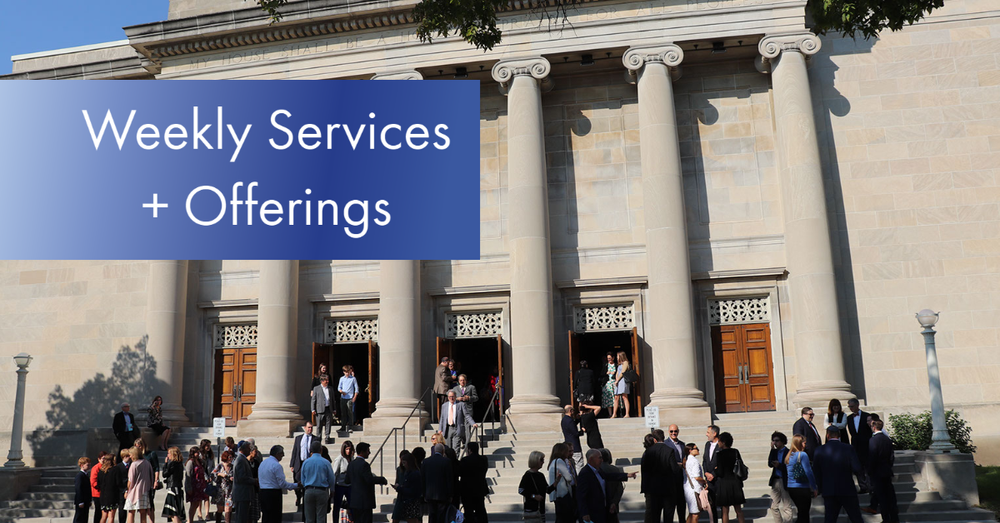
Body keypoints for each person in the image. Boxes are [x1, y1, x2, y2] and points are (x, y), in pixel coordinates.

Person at [812, 427, 863, 523]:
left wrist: (818, 487)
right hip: (847, 488)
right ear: (839, 435)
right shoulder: (848, 448)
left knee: (830, 519)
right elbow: (857, 468)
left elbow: (816, 471)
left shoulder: (819, 450)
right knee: (856, 518)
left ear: (827, 435)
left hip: (829, 489)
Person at [641, 429, 681, 523]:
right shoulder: (669, 450)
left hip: (653, 489)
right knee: (668, 516)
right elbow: (675, 470)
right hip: (668, 489)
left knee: (655, 516)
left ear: (654, 439)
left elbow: (645, 470)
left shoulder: (648, 452)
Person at [347, 442, 388, 523]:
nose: (369, 453)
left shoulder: (351, 464)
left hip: (354, 501)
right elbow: (369, 480)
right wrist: (381, 480)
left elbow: (347, 480)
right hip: (364, 502)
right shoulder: (364, 465)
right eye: (368, 451)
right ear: (362, 452)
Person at [258, 445, 299, 523]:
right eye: (281, 453)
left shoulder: (263, 463)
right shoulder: (276, 465)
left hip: (263, 492)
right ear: (277, 454)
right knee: (275, 517)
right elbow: (282, 484)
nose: (283, 455)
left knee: (266, 517)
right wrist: (296, 485)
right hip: (273, 494)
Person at [868, 420, 898, 523]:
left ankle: (886, 519)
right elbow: (891, 456)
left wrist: (870, 470)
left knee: (882, 498)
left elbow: (872, 456)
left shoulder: (873, 440)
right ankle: (894, 518)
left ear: (874, 427)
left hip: (877, 472)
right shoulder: (887, 439)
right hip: (886, 471)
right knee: (890, 497)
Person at [784, 435, 817, 523]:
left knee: (801, 511)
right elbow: (808, 471)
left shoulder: (789, 456)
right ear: (800, 443)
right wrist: (814, 487)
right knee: (804, 513)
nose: (805, 445)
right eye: (804, 443)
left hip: (791, 487)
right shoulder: (802, 455)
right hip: (802, 487)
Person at [299, 440, 333, 523]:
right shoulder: (326, 462)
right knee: (321, 517)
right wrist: (332, 490)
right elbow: (331, 478)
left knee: (309, 518)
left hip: (309, 490)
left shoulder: (306, 462)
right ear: (321, 450)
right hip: (322, 491)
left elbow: (303, 479)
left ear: (310, 450)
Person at [714, 432, 745, 523]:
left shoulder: (720, 455)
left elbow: (719, 472)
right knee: (738, 510)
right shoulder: (735, 452)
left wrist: (715, 470)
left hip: (724, 484)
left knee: (725, 511)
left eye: (719, 441)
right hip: (735, 482)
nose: (718, 443)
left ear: (723, 442)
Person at [599, 448, 635, 523]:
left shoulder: (597, 469)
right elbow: (619, 489)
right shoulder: (614, 469)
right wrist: (614, 502)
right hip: (613, 505)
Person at [845, 399, 872, 494]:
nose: (851, 408)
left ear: (857, 405)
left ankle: (870, 486)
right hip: (855, 446)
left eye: (852, 406)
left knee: (868, 467)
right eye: (849, 407)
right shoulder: (849, 418)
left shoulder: (866, 416)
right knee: (858, 468)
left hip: (866, 445)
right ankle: (863, 486)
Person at [423, 444, 454, 523]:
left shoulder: (426, 461)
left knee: (432, 515)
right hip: (442, 494)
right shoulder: (447, 461)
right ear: (443, 451)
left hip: (430, 493)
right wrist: (450, 494)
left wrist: (423, 493)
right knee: (441, 516)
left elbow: (423, 479)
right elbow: (449, 479)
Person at [767, 432, 793, 523]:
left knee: (786, 506)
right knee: (773, 506)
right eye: (773, 441)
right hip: (776, 480)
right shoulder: (774, 451)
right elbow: (770, 464)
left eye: (777, 441)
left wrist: (780, 466)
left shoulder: (788, 452)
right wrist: (772, 449)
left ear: (782, 441)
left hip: (785, 480)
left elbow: (790, 468)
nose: (775, 443)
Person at [460, 442, 489, 523]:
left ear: (469, 450)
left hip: (467, 489)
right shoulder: (483, 459)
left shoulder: (465, 460)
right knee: (481, 510)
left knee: (468, 511)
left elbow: (460, 472)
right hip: (480, 488)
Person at [517, 450, 550, 523]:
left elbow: (547, 490)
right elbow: (521, 490)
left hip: (541, 509)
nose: (543, 462)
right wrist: (534, 496)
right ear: (536, 460)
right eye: (541, 460)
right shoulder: (528, 475)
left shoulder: (541, 475)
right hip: (531, 509)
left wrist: (557, 481)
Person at [290, 422, 316, 514]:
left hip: (309, 463)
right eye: (308, 427)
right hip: (299, 463)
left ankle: (305, 497)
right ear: (304, 428)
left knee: (307, 482)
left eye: (311, 428)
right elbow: (295, 451)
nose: (310, 429)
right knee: (297, 481)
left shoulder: (315, 439)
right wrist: (292, 464)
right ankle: (298, 496)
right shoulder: (298, 438)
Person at [547, 443, 576, 523]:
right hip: (563, 494)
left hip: (556, 495)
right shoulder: (560, 461)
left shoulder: (553, 462)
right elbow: (569, 478)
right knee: (566, 518)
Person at [390, 451, 422, 523]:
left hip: (410, 502)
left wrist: (399, 488)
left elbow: (413, 491)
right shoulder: (406, 472)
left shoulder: (414, 474)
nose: (403, 465)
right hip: (406, 500)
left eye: (404, 463)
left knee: (412, 520)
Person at [125, 446, 154, 523]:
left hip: (134, 491)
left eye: (130, 454)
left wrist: (127, 490)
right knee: (143, 512)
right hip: (145, 490)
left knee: (131, 511)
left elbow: (130, 480)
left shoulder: (134, 464)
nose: (130, 456)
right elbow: (151, 476)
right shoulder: (147, 463)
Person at [577, 449, 608, 523]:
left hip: (600, 510)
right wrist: (584, 513)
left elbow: (608, 476)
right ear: (591, 459)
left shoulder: (598, 470)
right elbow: (581, 495)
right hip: (591, 512)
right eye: (599, 458)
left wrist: (626, 475)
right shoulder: (585, 473)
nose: (602, 460)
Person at [231, 443, 257, 523]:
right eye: (248, 449)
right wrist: (254, 481)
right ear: (244, 449)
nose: (249, 451)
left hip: (244, 494)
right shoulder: (240, 460)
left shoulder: (242, 459)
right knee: (241, 518)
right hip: (242, 494)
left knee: (244, 517)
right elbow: (241, 477)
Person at [667, 425, 687, 523]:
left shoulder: (682, 444)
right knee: (670, 507)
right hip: (671, 479)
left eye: (675, 431)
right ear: (668, 432)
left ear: (678, 431)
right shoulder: (666, 444)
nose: (673, 433)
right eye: (671, 431)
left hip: (681, 478)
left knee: (681, 505)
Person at [682, 443, 706, 523]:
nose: (698, 449)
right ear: (690, 450)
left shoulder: (688, 460)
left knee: (692, 513)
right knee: (695, 514)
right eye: (696, 448)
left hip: (689, 489)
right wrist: (705, 481)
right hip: (694, 489)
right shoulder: (694, 461)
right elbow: (697, 477)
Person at [331, 441, 354, 521]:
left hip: (349, 485)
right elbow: (334, 473)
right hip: (340, 485)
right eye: (347, 449)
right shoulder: (339, 459)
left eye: (349, 449)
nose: (348, 451)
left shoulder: (351, 458)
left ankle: (351, 520)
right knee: (337, 506)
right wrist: (332, 488)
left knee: (352, 505)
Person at [161, 447, 186, 523]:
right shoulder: (180, 464)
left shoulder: (172, 463)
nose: (167, 455)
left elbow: (165, 474)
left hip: (173, 488)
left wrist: (165, 464)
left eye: (169, 453)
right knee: (174, 511)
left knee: (172, 511)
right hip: (177, 487)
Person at [703, 425, 721, 523]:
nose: (706, 435)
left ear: (715, 433)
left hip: (718, 479)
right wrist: (706, 472)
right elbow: (705, 460)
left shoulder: (721, 445)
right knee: (712, 504)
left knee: (721, 504)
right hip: (709, 480)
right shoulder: (707, 445)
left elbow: (721, 463)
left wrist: (713, 474)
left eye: (708, 433)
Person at [185, 447, 208, 523]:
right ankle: (190, 520)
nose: (198, 454)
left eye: (198, 452)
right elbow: (188, 475)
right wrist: (188, 488)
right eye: (196, 453)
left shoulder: (199, 461)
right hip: (193, 486)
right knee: (193, 504)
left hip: (200, 486)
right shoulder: (190, 462)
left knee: (197, 503)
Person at [211, 451, 234, 523]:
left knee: (228, 509)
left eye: (232, 457)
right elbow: (212, 474)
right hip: (220, 491)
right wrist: (220, 474)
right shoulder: (220, 466)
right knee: (220, 509)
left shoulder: (232, 467)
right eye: (230, 457)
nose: (231, 459)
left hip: (230, 491)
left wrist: (232, 478)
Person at [98, 454, 122, 523]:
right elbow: (118, 483)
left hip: (103, 496)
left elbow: (98, 484)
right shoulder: (115, 469)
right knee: (111, 516)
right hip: (112, 496)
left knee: (104, 516)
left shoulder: (101, 471)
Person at [311, 375, 335, 442]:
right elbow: (313, 400)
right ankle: (318, 437)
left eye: (328, 380)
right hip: (320, 409)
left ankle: (327, 436)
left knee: (328, 423)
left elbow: (333, 399)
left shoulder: (330, 389)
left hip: (328, 408)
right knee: (319, 425)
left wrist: (334, 409)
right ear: (322, 381)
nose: (327, 381)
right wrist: (313, 409)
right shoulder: (316, 388)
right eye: (326, 380)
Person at [561, 405, 584, 469]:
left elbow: (570, 427)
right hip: (575, 447)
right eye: (573, 410)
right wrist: (582, 431)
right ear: (570, 411)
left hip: (568, 444)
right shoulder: (570, 420)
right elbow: (575, 433)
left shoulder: (564, 420)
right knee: (579, 465)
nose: (574, 412)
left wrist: (577, 420)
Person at [338, 366, 360, 433]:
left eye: (348, 372)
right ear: (343, 372)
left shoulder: (353, 379)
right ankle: (343, 426)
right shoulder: (342, 379)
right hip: (343, 397)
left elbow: (356, 389)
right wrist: (341, 391)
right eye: (345, 372)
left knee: (350, 413)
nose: (347, 373)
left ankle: (350, 426)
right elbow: (339, 387)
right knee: (343, 413)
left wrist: (354, 397)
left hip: (350, 397)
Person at [433, 357, 455, 423]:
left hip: (439, 389)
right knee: (445, 405)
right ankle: (444, 420)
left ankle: (442, 419)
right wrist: (452, 377)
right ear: (445, 362)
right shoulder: (443, 368)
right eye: (448, 363)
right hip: (444, 389)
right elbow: (444, 377)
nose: (448, 365)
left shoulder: (438, 367)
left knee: (442, 404)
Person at [612, 352, 631, 418]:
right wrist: (616, 379)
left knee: (624, 397)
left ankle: (627, 413)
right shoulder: (619, 364)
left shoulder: (625, 362)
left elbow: (623, 372)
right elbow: (617, 372)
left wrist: (618, 379)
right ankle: (614, 414)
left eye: (618, 356)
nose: (617, 358)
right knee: (616, 397)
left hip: (623, 381)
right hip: (618, 381)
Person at [92, 451, 108, 523]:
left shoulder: (106, 467)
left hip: (104, 493)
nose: (104, 460)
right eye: (103, 458)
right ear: (99, 459)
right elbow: (93, 481)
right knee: (98, 511)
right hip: (97, 493)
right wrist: (100, 487)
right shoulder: (96, 468)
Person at [76, 457, 93, 523]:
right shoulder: (80, 476)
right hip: (82, 501)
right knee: (79, 518)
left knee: (84, 518)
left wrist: (89, 500)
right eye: (87, 465)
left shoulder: (85, 475)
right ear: (82, 465)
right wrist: (80, 501)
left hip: (86, 500)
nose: (89, 466)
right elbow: (78, 489)